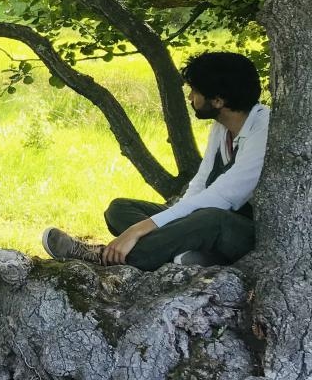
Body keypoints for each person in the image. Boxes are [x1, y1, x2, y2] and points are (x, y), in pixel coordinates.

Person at [42, 51, 269, 270]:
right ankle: (187, 254)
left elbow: (224, 196)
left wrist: (140, 229)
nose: (190, 97)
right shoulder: (222, 126)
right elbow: (200, 184)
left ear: (218, 100)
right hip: (207, 218)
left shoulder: (266, 129)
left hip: (243, 231)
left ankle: (103, 256)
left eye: (195, 91)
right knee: (120, 208)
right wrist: (168, 220)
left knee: (211, 219)